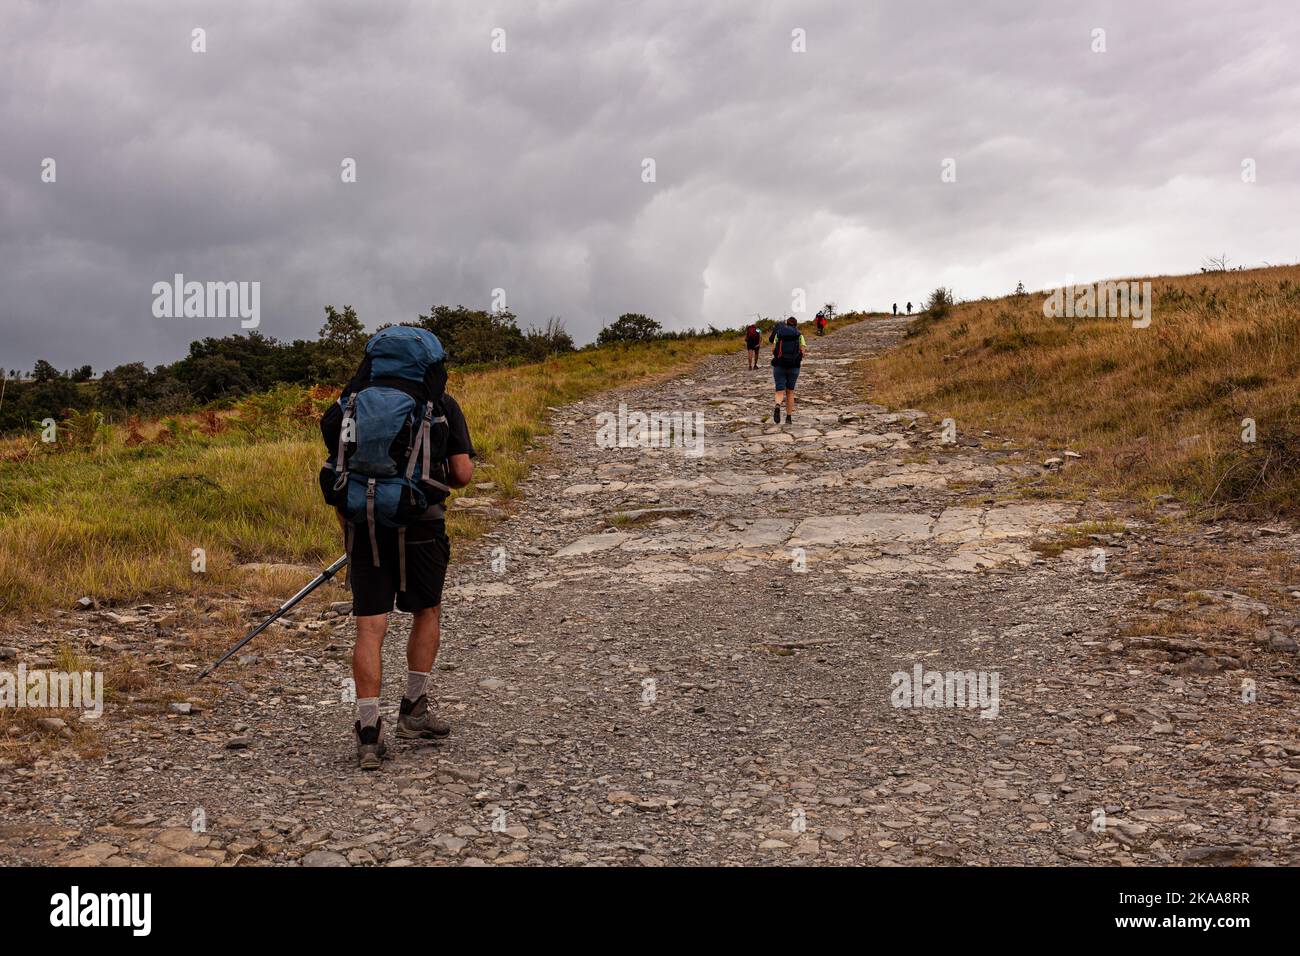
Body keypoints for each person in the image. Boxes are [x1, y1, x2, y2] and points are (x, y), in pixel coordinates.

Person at [321, 327, 476, 770]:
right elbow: (462, 474)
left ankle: (369, 733)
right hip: (422, 524)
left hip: (363, 525)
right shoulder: (440, 407)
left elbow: (339, 467)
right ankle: (414, 709)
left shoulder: (350, 406)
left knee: (370, 628)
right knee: (426, 611)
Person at [768, 316, 805, 424]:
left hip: (779, 366)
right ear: (796, 325)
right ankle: (788, 418)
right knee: (790, 392)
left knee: (779, 391)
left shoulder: (779, 333)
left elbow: (773, 349)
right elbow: (802, 351)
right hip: (794, 367)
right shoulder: (800, 335)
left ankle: (778, 405)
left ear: (786, 324)